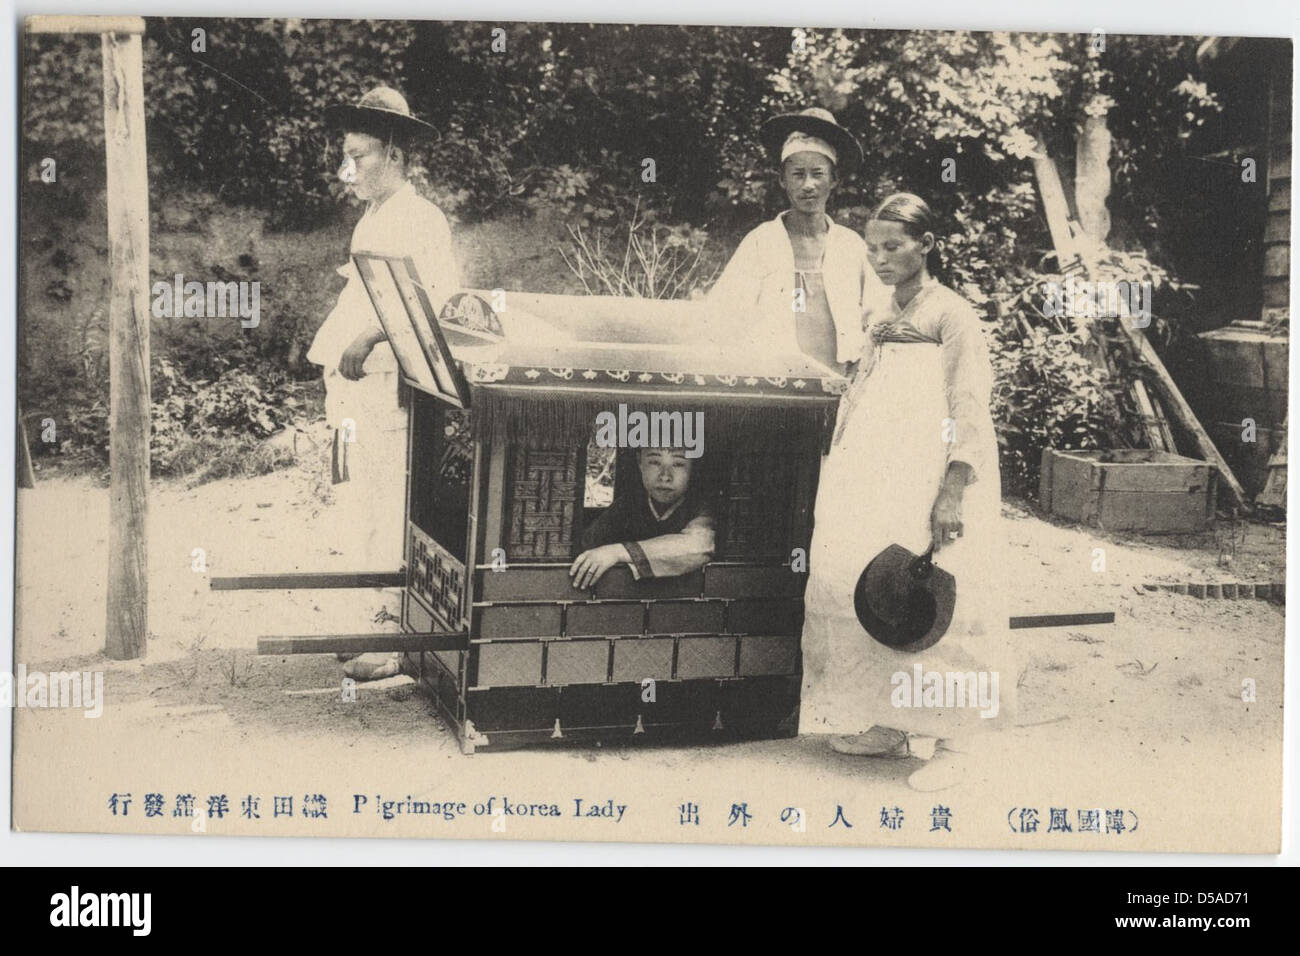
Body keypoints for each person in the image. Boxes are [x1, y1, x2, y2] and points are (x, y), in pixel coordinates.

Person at [798, 193, 1016, 792]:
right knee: (874, 587)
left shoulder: (952, 316)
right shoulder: (879, 315)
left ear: (927, 245)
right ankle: (891, 724)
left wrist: (951, 492)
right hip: (877, 474)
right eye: (872, 247)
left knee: (942, 598)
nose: (881, 257)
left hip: (931, 472)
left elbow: (970, 408)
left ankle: (957, 742)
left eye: (893, 246)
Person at [307, 86, 460, 681]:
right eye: (345, 156)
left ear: (395, 153)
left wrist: (370, 337)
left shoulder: (423, 220)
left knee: (390, 505)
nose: (349, 171)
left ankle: (397, 640)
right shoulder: (373, 217)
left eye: (361, 156)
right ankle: (366, 622)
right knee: (357, 505)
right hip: (352, 389)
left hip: (390, 388)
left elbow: (435, 301)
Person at [707, 107, 887, 375]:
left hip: (841, 384)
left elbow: (880, 315)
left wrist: (863, 367)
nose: (808, 185)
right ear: (783, 180)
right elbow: (724, 314)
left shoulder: (851, 247)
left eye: (817, 174)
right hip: (774, 384)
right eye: (798, 174)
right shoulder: (761, 242)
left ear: (834, 180)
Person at [569, 447, 715, 590]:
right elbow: (587, 544)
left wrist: (617, 552)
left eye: (678, 464)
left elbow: (700, 544)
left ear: (693, 467)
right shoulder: (627, 504)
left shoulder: (700, 508)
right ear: (640, 462)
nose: (665, 476)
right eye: (655, 462)